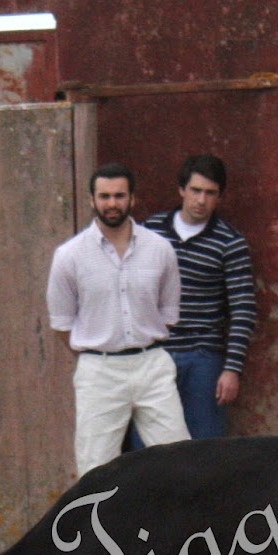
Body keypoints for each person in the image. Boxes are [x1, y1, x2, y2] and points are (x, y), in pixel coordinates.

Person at [47, 162, 191, 475]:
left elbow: (168, 312)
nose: (112, 203)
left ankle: (179, 524)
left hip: (151, 362)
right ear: (92, 200)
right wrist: (98, 353)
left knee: (179, 457)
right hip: (99, 369)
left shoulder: (160, 250)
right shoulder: (69, 255)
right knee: (95, 466)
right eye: (105, 196)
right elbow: (61, 323)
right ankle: (94, 525)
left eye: (119, 195)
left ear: (132, 199)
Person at [141, 154, 257, 439]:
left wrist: (232, 369)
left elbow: (243, 308)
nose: (201, 200)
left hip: (203, 357)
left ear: (219, 197)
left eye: (210, 193)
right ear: (181, 190)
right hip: (154, 354)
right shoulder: (149, 233)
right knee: (147, 449)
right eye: (195, 190)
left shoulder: (230, 242)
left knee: (205, 451)